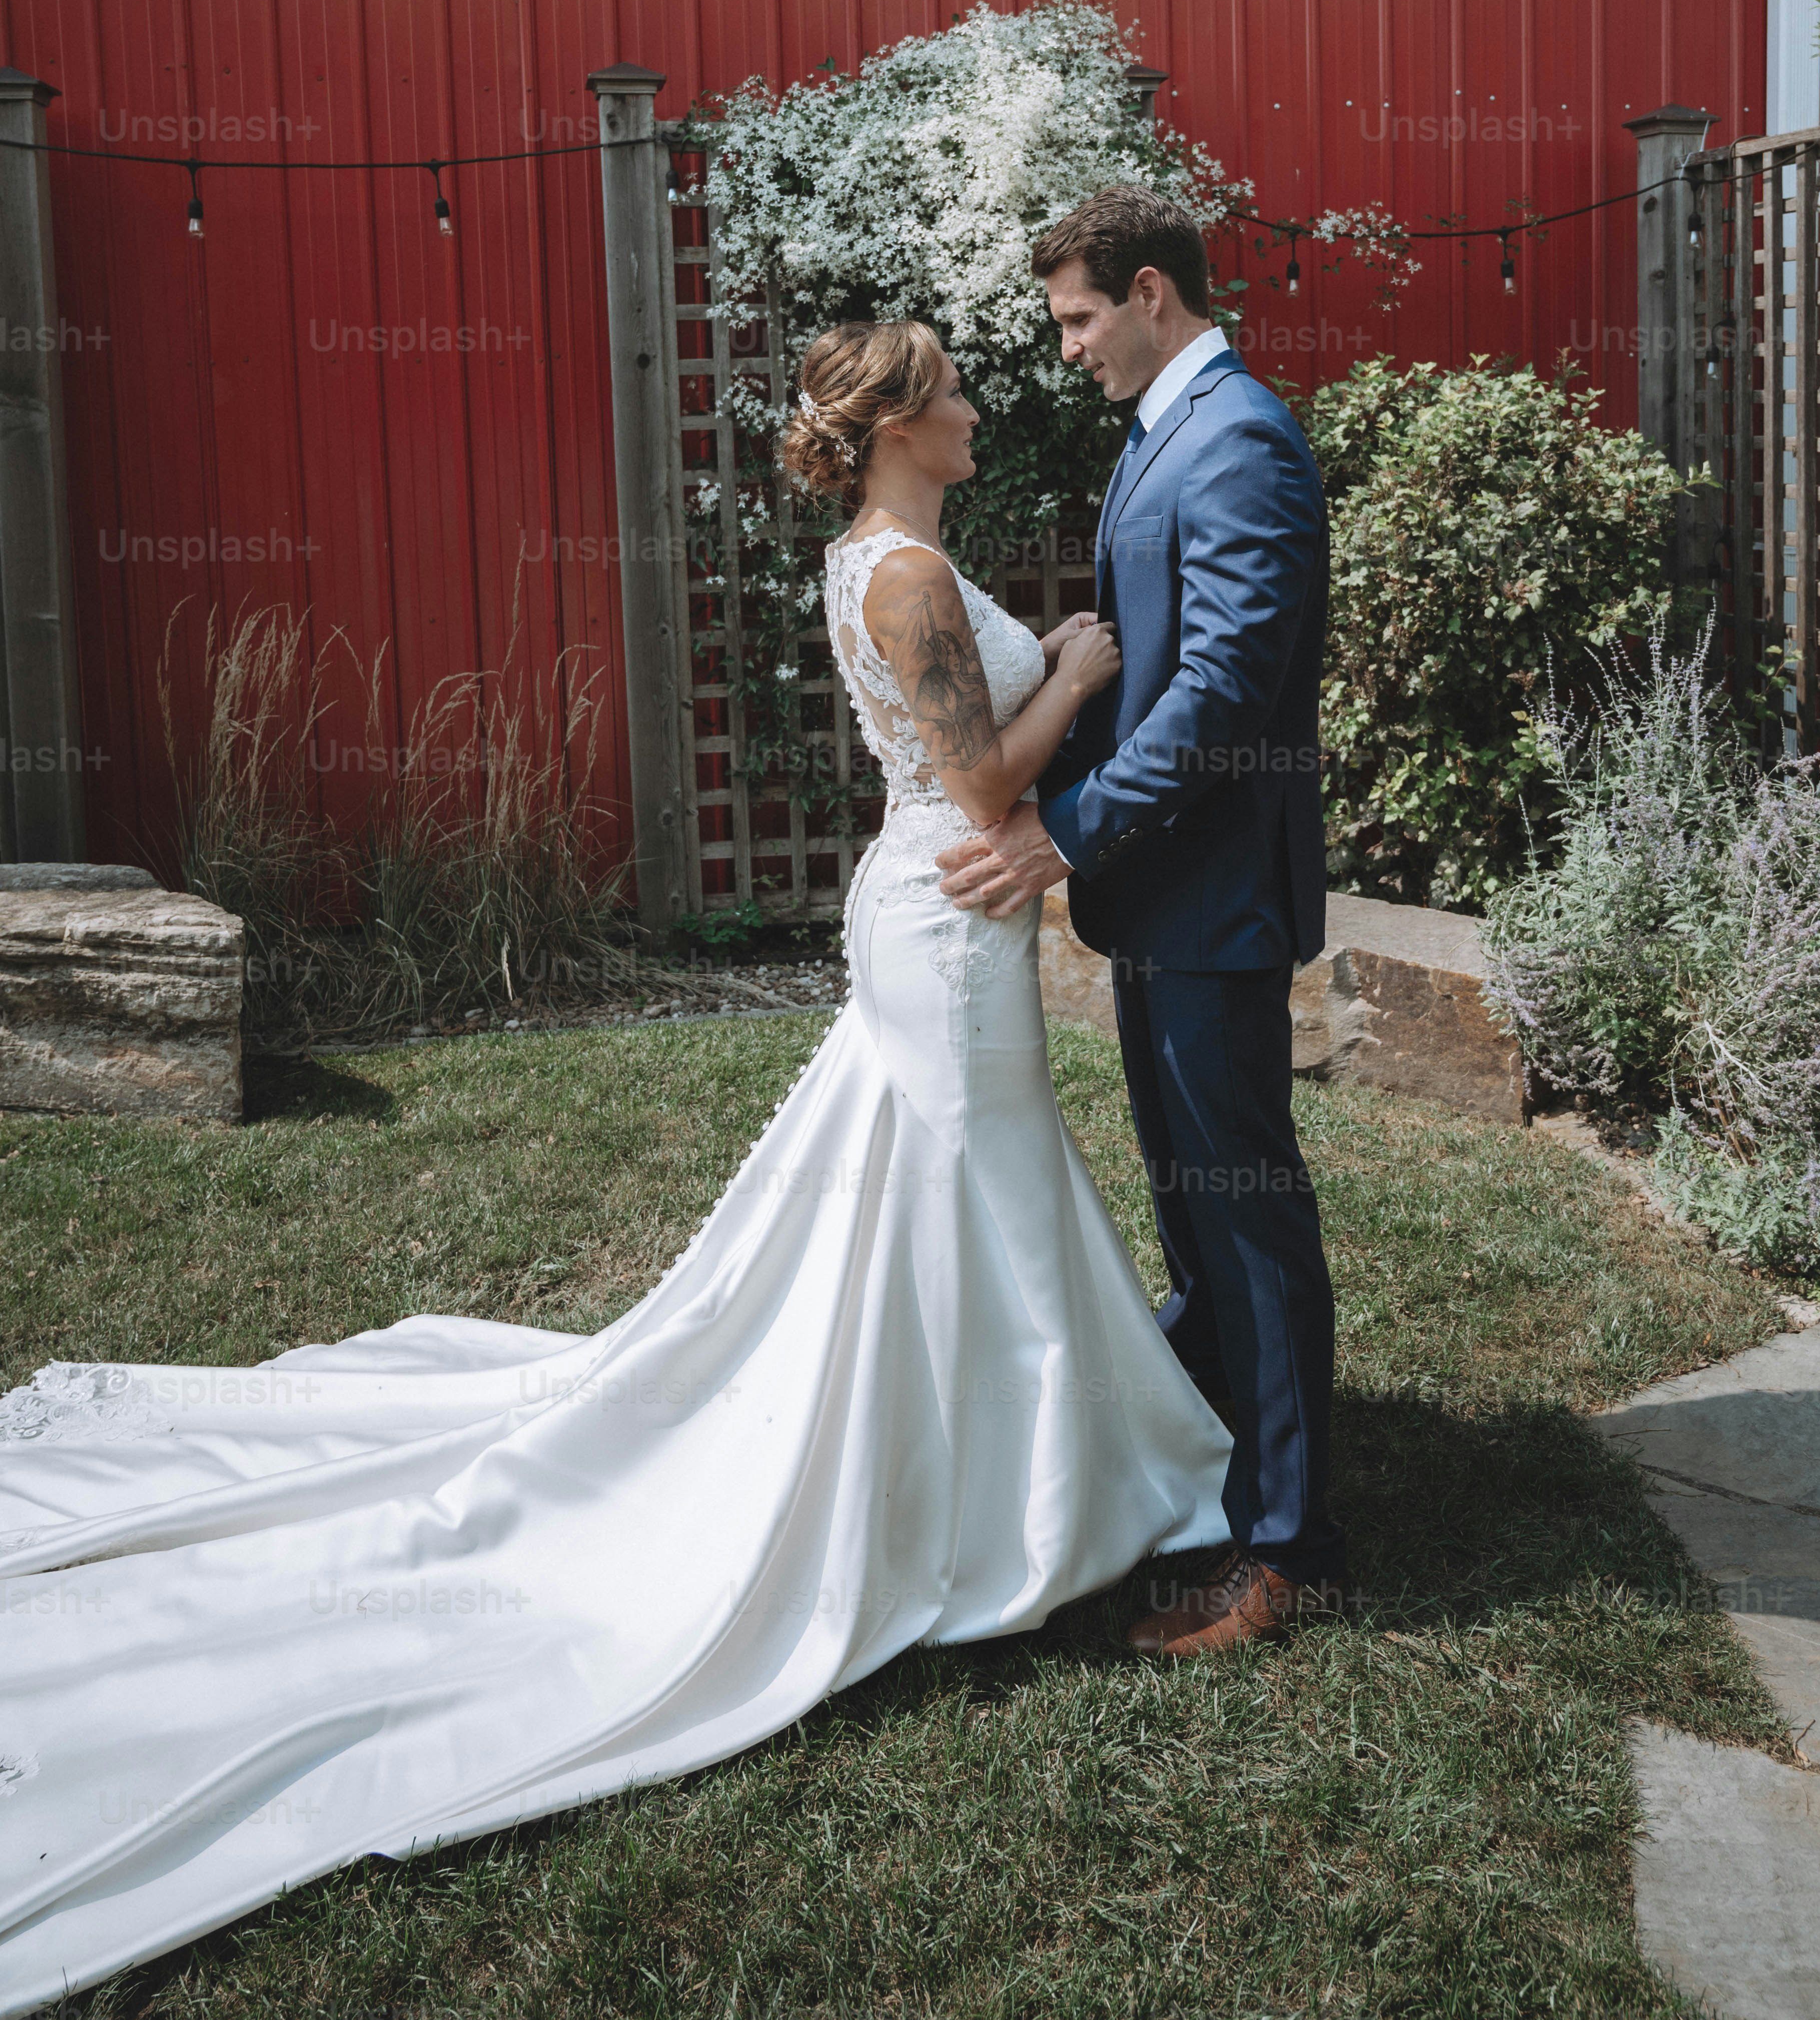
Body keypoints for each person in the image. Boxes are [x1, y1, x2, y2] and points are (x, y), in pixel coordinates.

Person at [0, 315, 1232, 2019]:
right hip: (946, 932)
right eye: (947, 389)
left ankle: (1014, 1482)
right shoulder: (904, 583)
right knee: (977, 1212)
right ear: (893, 424)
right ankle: (1007, 1516)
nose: (973, 405)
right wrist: (1082, 680)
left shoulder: (890, 553)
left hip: (940, 923)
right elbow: (972, 780)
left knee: (941, 1213)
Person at [936, 187, 1349, 1653]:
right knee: (1195, 1209)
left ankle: (1286, 1546)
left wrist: (1070, 830)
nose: (1069, 349)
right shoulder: (1164, 429)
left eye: (1080, 318)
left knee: (1247, 1221)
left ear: (1152, 291)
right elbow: (1160, 644)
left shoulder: (1236, 438)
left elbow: (1227, 688)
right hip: (1161, 903)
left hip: (1213, 899)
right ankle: (1216, 1467)